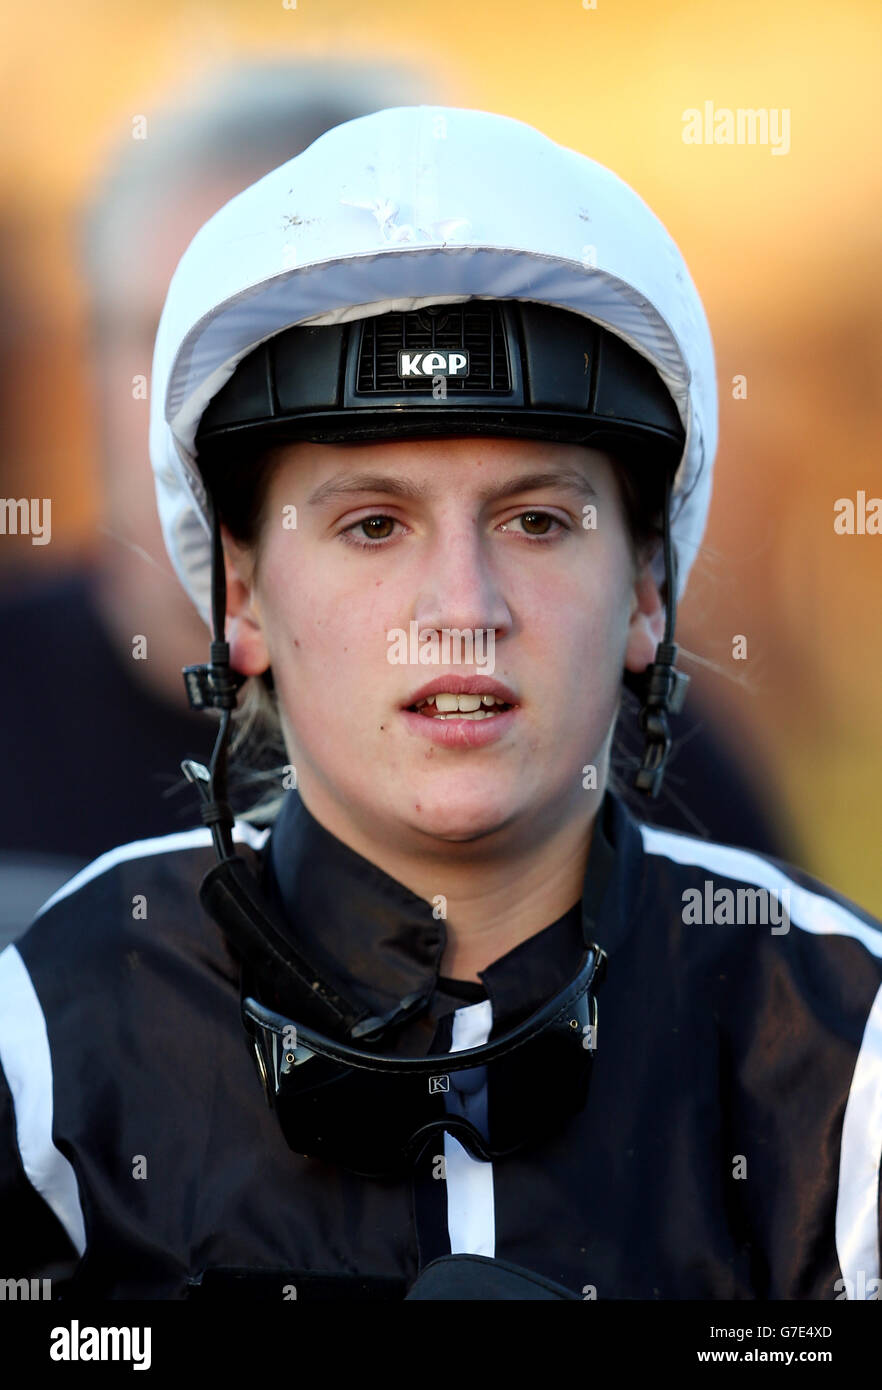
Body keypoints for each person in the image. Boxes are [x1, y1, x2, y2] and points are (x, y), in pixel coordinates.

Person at [1, 105, 878, 1302]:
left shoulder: (843, 1049)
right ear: (243, 598)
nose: (462, 608)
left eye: (536, 521)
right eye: (373, 525)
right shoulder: (49, 1031)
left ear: (646, 593)